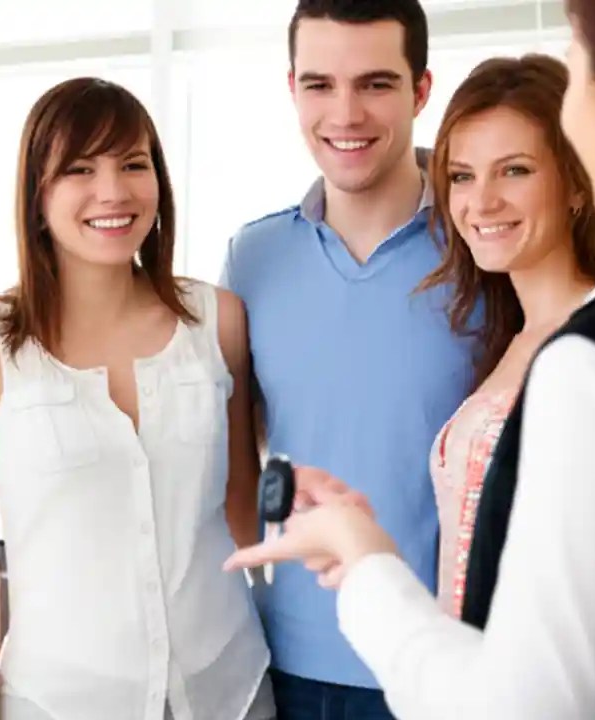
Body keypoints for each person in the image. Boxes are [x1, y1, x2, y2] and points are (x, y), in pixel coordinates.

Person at [224, 0, 595, 716]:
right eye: (464, 176)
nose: (482, 202)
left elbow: (533, 702)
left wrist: (365, 562)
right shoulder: (257, 259)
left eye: (575, 69)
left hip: (442, 666)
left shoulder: (593, 354)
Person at [0, 77, 274, 720]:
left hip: (231, 689)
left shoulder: (218, 322)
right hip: (57, 701)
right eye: (80, 169)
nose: (113, 191)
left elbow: (244, 509)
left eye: (133, 164)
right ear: (38, 195)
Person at [218, 1, 477, 717]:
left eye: (375, 84)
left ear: (422, 90)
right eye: (320, 85)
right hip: (283, 663)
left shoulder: (485, 248)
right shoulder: (252, 258)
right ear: (292, 88)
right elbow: (243, 464)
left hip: (441, 661)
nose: (346, 114)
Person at [419, 53, 595, 617]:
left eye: (514, 170)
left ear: (577, 184)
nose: (482, 201)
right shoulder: (511, 339)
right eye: (462, 175)